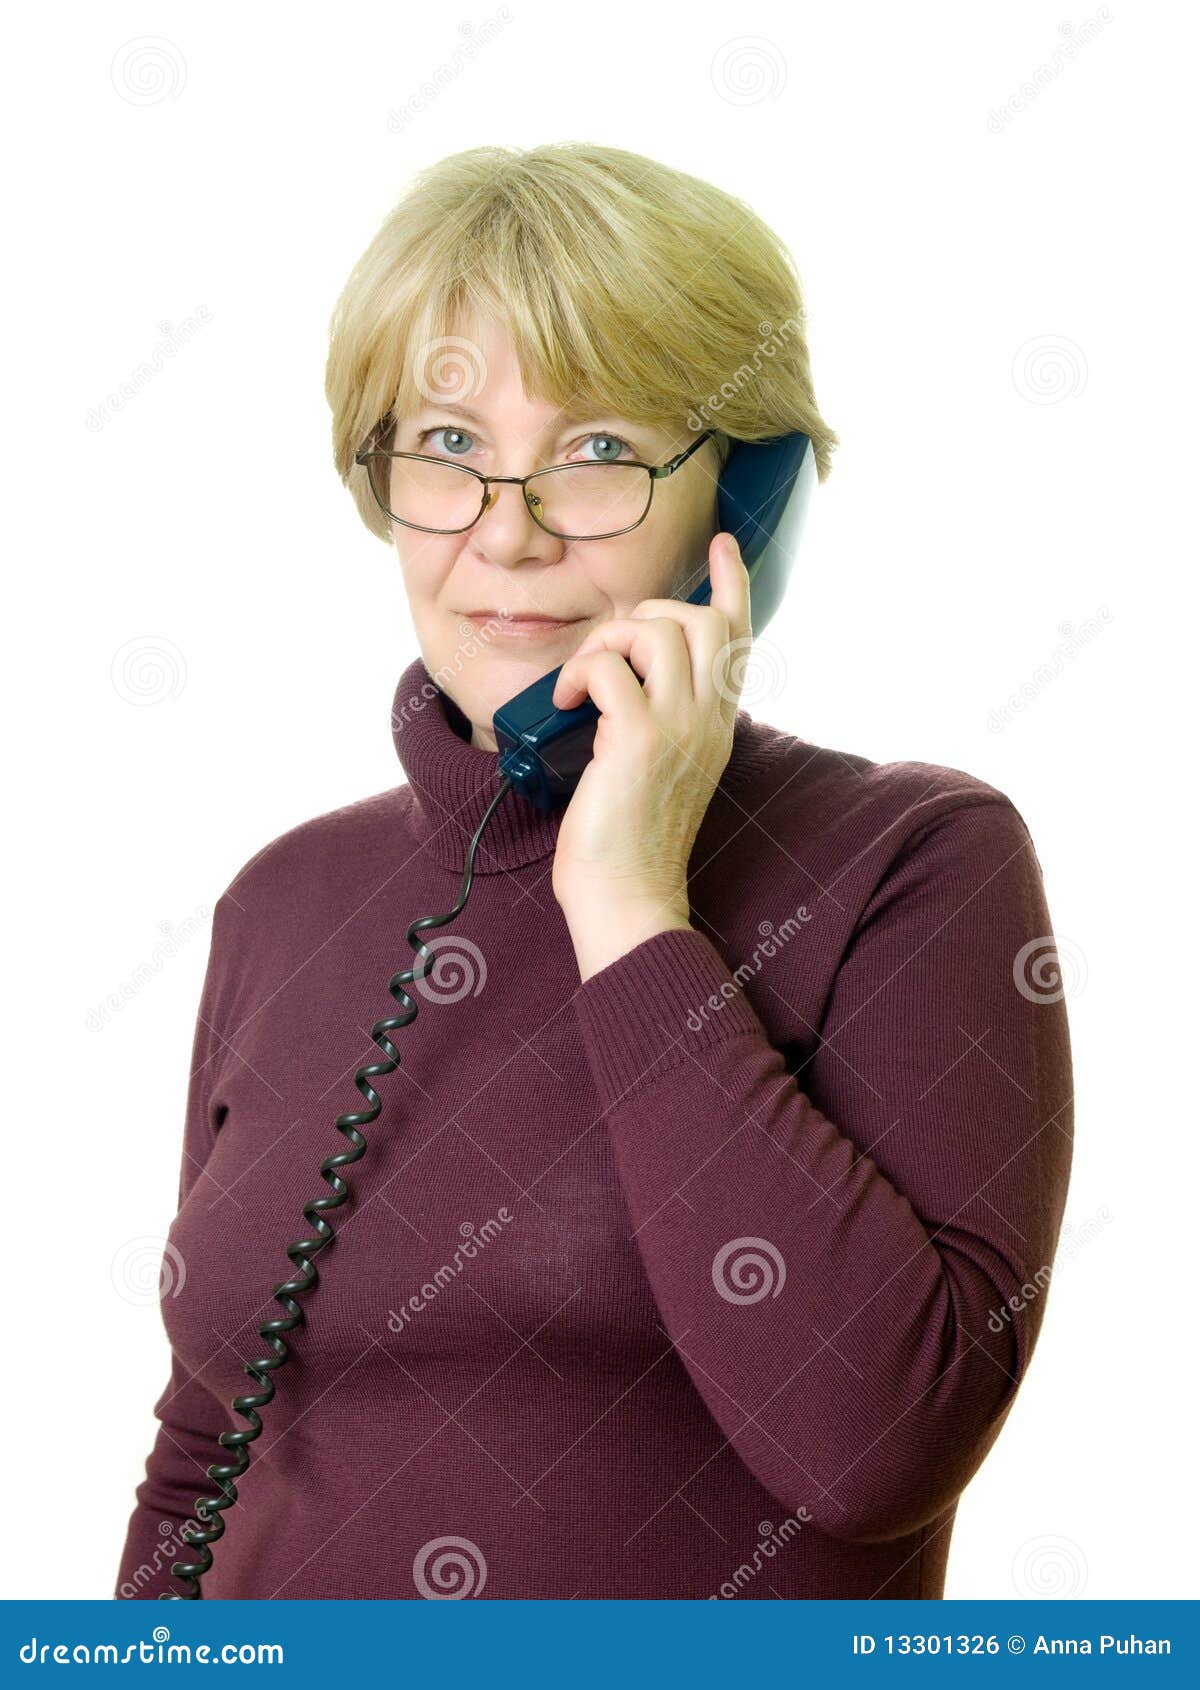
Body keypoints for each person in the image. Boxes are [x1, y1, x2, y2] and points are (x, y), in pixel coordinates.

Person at [115, 142, 1073, 1601]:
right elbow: (203, 1446)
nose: (505, 528)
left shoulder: (914, 863)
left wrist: (630, 903)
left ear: (744, 507)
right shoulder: (285, 901)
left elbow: (878, 1447)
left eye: (601, 451)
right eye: (444, 442)